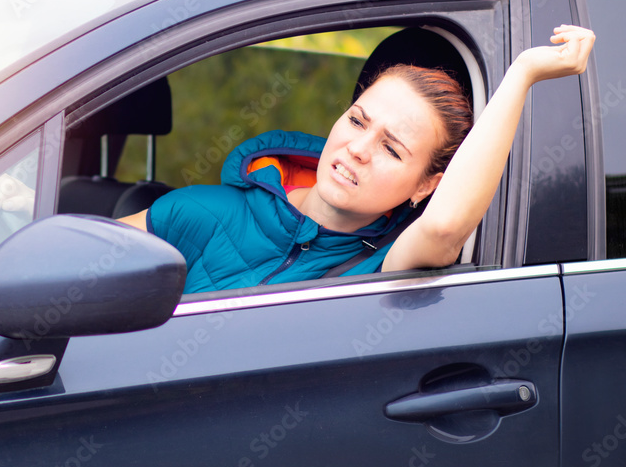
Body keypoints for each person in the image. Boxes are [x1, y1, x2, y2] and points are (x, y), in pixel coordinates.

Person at [119, 24, 595, 293]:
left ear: (425, 185)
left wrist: (524, 73)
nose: (358, 149)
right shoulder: (199, 211)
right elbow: (69, 273)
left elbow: (446, 227)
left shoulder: (390, 265)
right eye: (357, 121)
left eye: (392, 148)